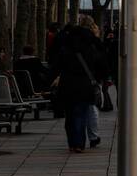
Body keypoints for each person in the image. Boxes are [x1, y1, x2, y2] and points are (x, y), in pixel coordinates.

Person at [46, 21, 109, 153]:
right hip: (85, 86)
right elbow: (100, 64)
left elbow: (55, 67)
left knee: (70, 116)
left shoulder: (65, 50)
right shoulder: (90, 49)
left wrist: (48, 82)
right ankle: (79, 143)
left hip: (67, 86)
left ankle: (72, 142)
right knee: (81, 114)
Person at [78, 15, 108, 147]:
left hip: (76, 78)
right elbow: (101, 59)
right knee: (92, 108)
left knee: (77, 110)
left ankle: (77, 139)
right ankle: (93, 136)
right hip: (92, 79)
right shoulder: (93, 42)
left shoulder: (74, 39)